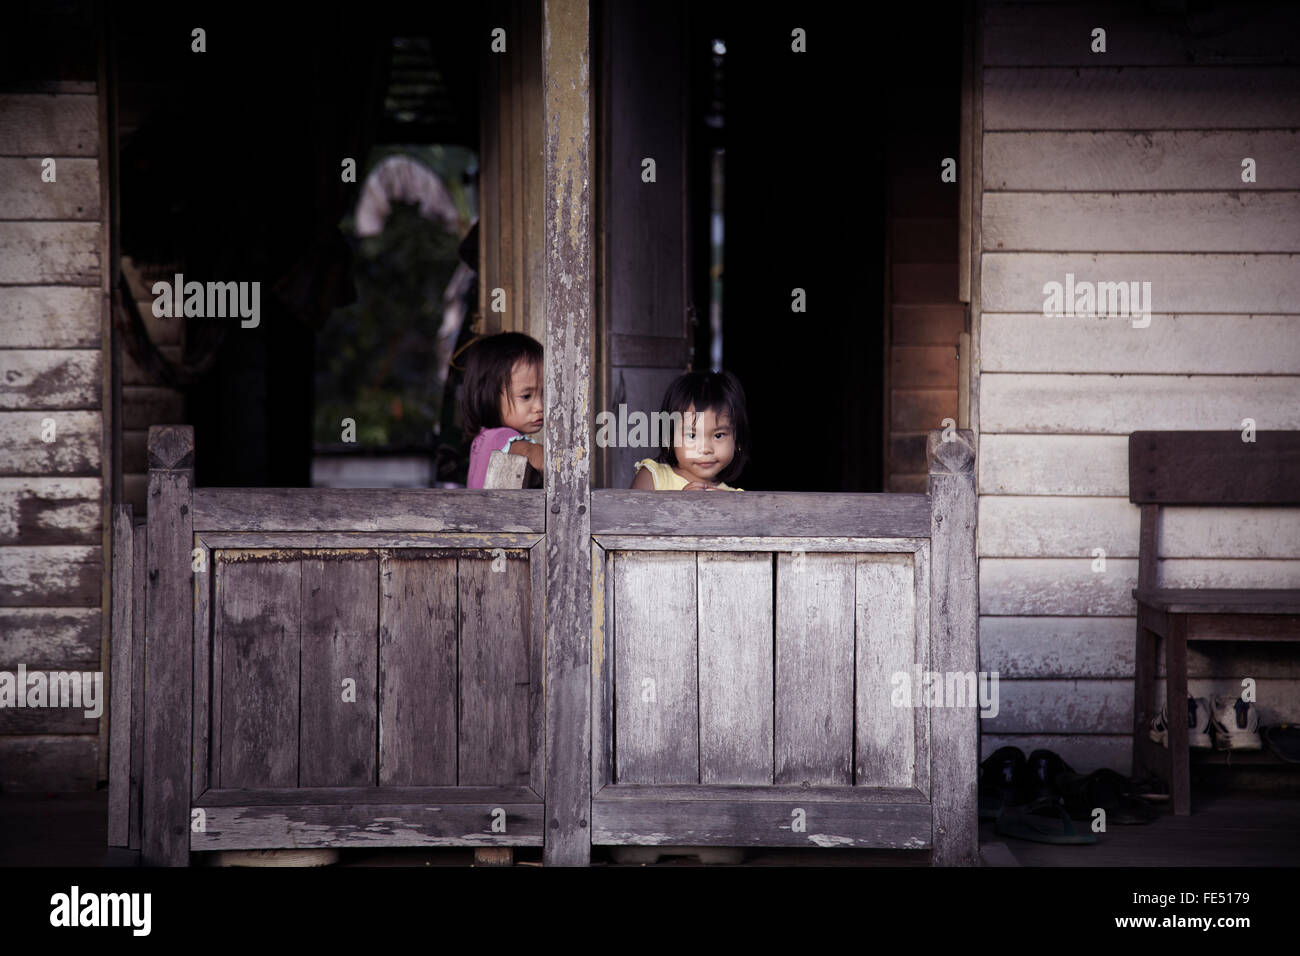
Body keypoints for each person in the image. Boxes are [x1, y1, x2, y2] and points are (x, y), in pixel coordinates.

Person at [630, 370, 749, 491]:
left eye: (718, 435)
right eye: (692, 436)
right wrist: (683, 503)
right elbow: (634, 510)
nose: (705, 449)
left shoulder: (735, 498)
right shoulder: (653, 477)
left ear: (737, 440)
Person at [463, 332, 545, 488]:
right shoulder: (502, 437)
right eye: (526, 396)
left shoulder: (482, 439)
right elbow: (533, 455)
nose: (540, 407)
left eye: (544, 394)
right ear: (489, 395)